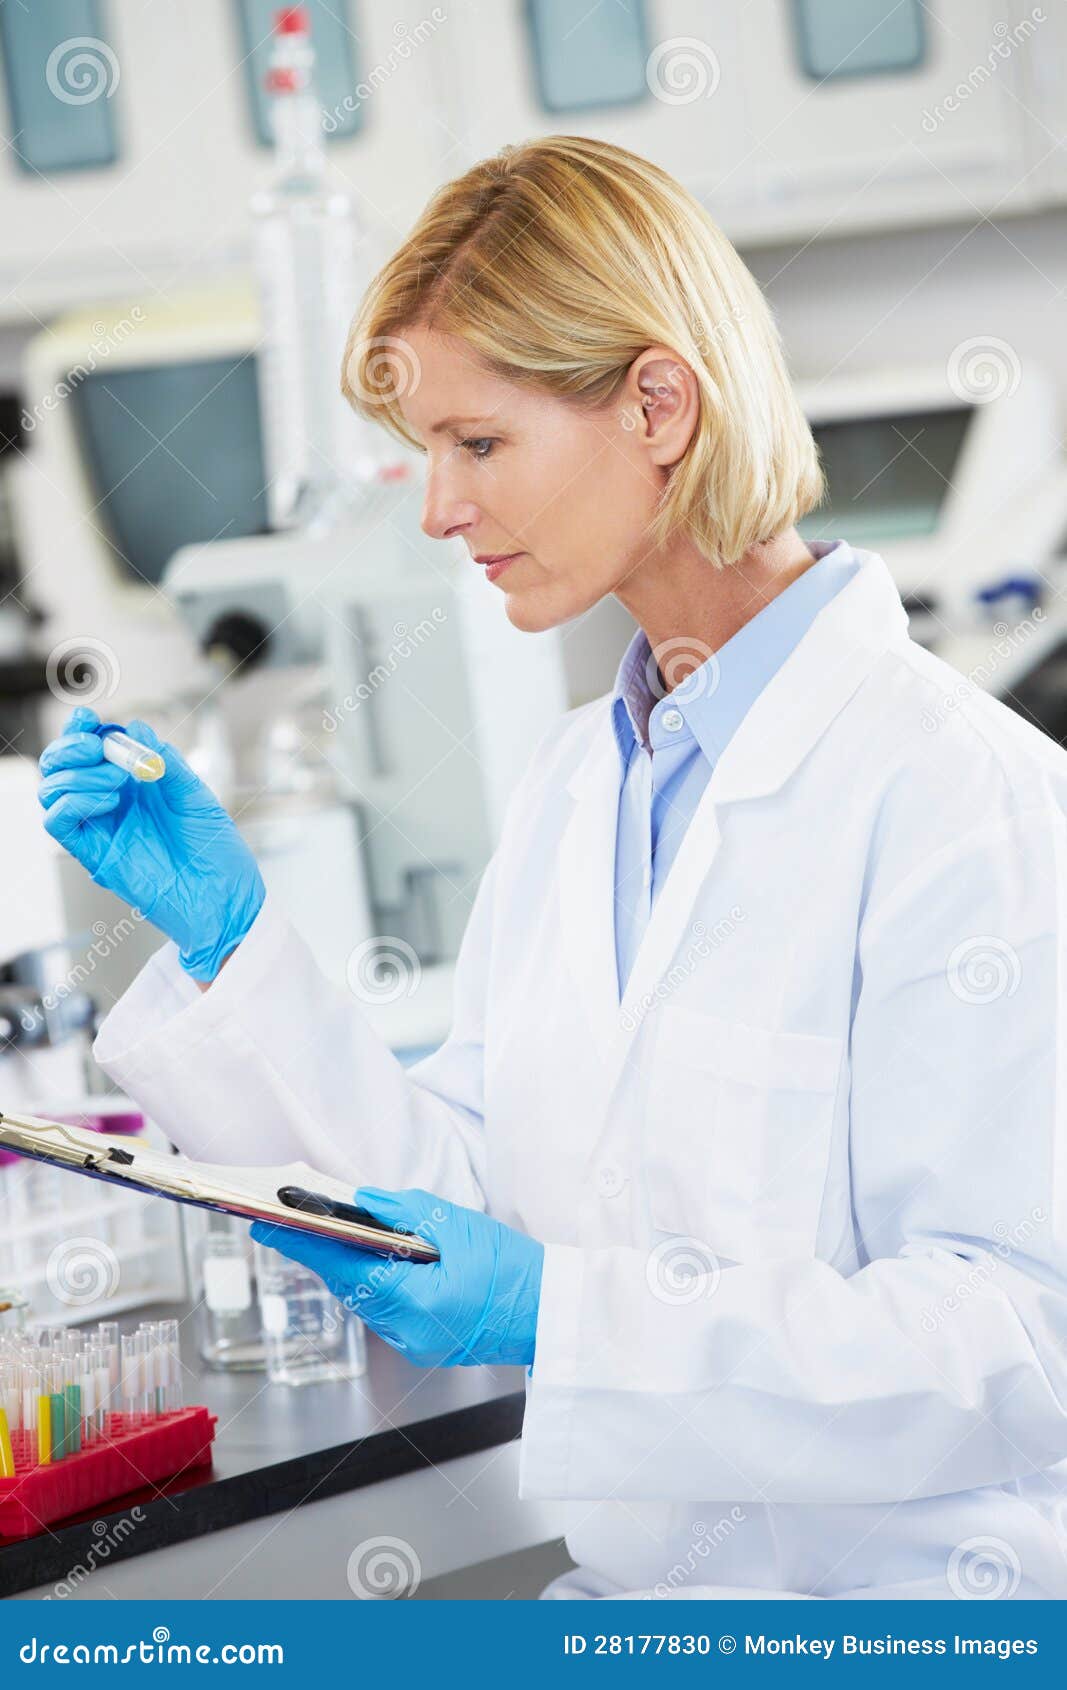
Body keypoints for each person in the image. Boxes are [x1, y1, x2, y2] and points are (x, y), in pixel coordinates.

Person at [37, 136, 1067, 1601]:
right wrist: (232, 943)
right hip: (633, 1605)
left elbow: (1016, 1339)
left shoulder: (973, 804)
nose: (439, 511)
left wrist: (563, 1316)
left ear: (658, 402)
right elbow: (472, 1201)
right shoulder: (584, 782)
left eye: (478, 443)